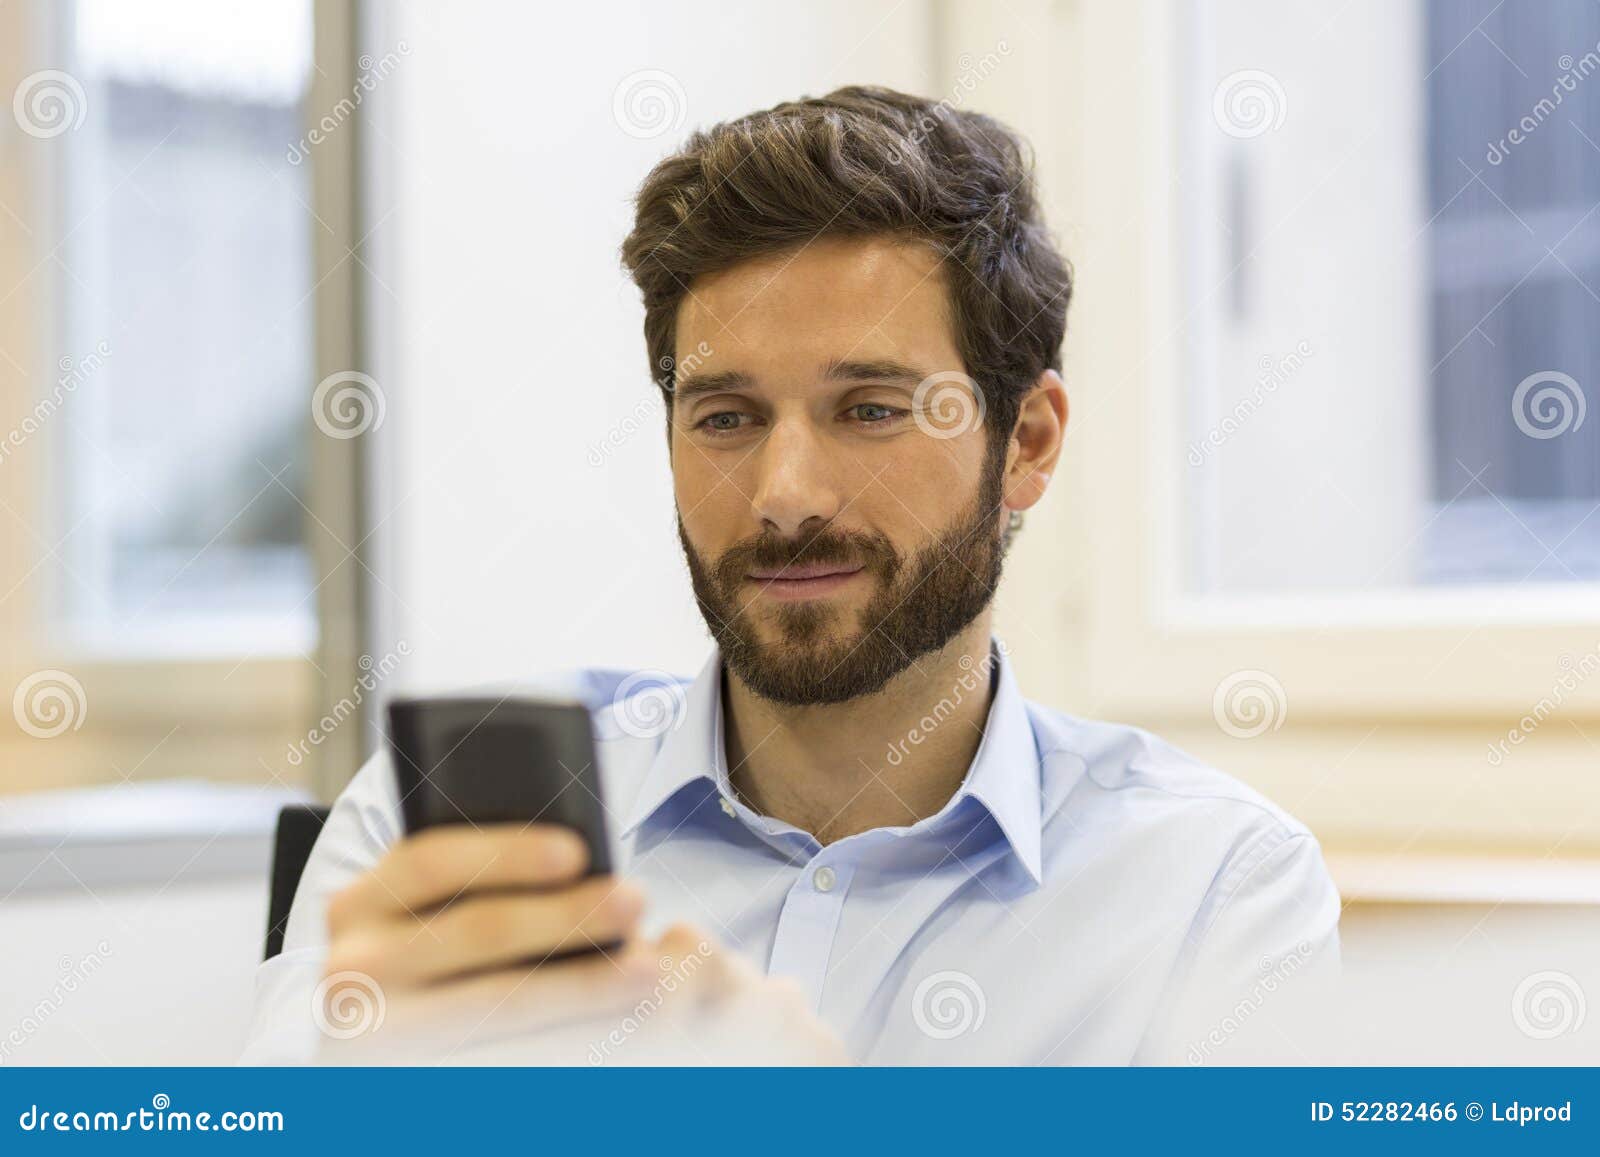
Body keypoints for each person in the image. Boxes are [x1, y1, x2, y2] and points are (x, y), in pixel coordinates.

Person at [243, 85, 1338, 1066]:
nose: (785, 495)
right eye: (726, 417)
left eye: (870, 409)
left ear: (1028, 441)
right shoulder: (450, 831)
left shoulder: (1213, 889)